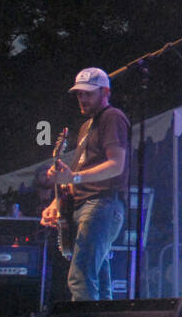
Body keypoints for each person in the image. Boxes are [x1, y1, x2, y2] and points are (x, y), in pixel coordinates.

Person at [40, 67, 129, 299]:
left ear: (105, 92)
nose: (83, 98)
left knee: (79, 277)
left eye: (88, 93)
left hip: (101, 204)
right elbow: (79, 171)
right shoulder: (85, 127)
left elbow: (116, 165)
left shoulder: (112, 117)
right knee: (97, 277)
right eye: (79, 93)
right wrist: (56, 203)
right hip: (86, 205)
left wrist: (75, 177)